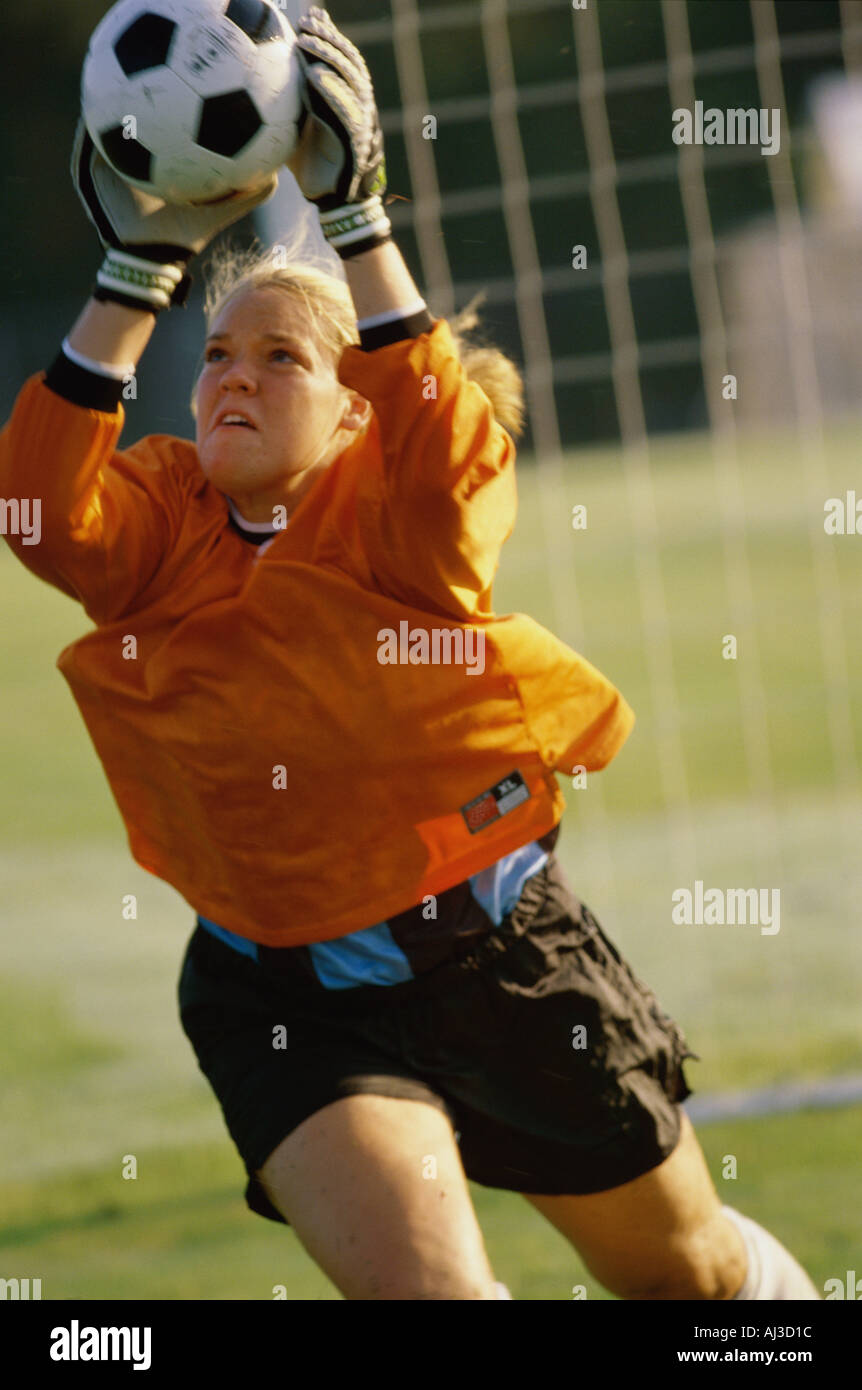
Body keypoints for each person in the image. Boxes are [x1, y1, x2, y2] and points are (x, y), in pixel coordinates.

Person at [0, 7, 819, 1302]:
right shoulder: (158, 520)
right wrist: (137, 268)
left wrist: (360, 219)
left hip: (499, 961)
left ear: (351, 417)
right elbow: (37, 514)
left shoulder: (400, 522)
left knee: (694, 1280)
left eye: (281, 358)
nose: (231, 376)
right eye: (217, 352)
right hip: (287, 998)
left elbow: (441, 432)